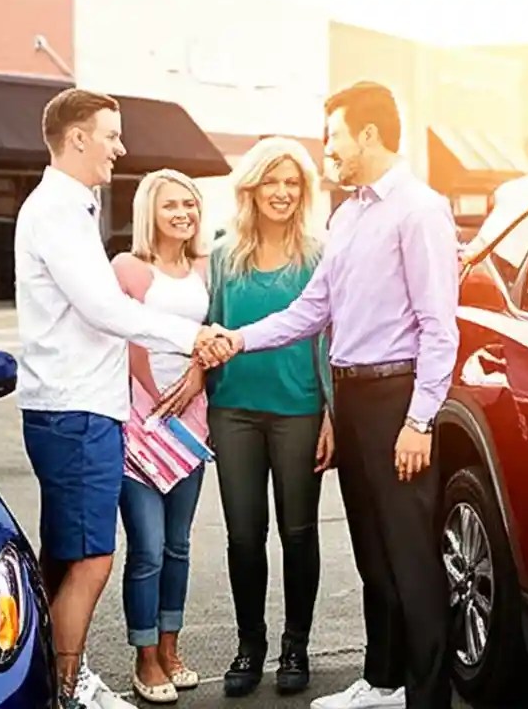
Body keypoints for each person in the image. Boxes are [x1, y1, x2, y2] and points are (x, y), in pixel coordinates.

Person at [198, 81, 459, 709]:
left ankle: (428, 698)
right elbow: (310, 311)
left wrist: (419, 421)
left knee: (411, 558)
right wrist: (237, 339)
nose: (328, 150)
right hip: (353, 397)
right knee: (372, 551)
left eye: (333, 135)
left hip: (398, 398)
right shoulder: (348, 215)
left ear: (367, 134)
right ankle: (383, 679)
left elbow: (439, 327)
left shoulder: (418, 210)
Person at [14, 86, 223, 709]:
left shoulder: (66, 209)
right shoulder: (57, 211)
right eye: (111, 134)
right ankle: (68, 690)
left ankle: (54, 678)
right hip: (76, 412)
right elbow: (106, 308)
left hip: (71, 408)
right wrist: (194, 335)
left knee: (65, 556)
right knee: (93, 561)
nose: (119, 147)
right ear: (78, 137)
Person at [203, 136, 334, 698]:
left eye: (292, 183)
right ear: (250, 188)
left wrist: (332, 413)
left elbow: (332, 336)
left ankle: (295, 644)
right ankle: (249, 644)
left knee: (299, 533)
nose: (281, 193)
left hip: (300, 409)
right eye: (271, 182)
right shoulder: (221, 254)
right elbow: (208, 329)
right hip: (233, 411)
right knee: (243, 535)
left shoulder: (319, 253)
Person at [109, 169, 210, 704]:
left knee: (178, 546)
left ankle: (171, 648)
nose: (183, 214)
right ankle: (144, 657)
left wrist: (195, 379)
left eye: (190, 205)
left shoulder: (202, 267)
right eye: (172, 204)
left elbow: (210, 338)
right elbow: (123, 335)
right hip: (140, 421)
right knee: (145, 548)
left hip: (191, 420)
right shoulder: (127, 267)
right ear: (151, 209)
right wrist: (153, 399)